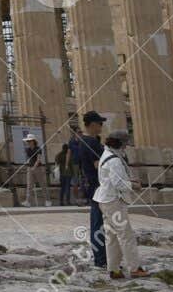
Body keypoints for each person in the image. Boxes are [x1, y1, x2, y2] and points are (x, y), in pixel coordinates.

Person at [95, 131, 147, 279]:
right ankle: (135, 268)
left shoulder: (106, 156)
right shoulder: (114, 160)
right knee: (126, 235)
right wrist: (134, 186)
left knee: (111, 236)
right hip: (113, 201)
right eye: (124, 144)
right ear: (119, 143)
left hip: (105, 200)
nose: (125, 147)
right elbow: (118, 183)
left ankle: (114, 269)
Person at [76, 111, 107, 267]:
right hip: (98, 186)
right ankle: (101, 259)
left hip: (92, 185)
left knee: (98, 223)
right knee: (99, 224)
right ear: (93, 124)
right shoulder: (92, 143)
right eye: (100, 123)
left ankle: (101, 258)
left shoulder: (83, 141)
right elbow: (98, 165)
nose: (102, 126)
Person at [22, 132, 48, 207]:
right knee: (29, 185)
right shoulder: (27, 149)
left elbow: (38, 159)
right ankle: (28, 201)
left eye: (29, 141)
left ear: (33, 141)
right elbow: (28, 158)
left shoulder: (38, 149)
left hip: (38, 168)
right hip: (30, 168)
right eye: (27, 141)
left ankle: (47, 200)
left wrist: (34, 167)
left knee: (42, 184)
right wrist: (29, 165)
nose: (28, 142)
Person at [55, 135, 74, 206]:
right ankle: (68, 201)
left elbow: (56, 161)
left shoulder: (59, 155)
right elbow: (71, 164)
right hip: (68, 174)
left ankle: (61, 201)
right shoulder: (69, 155)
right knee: (67, 188)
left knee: (62, 188)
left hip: (62, 173)